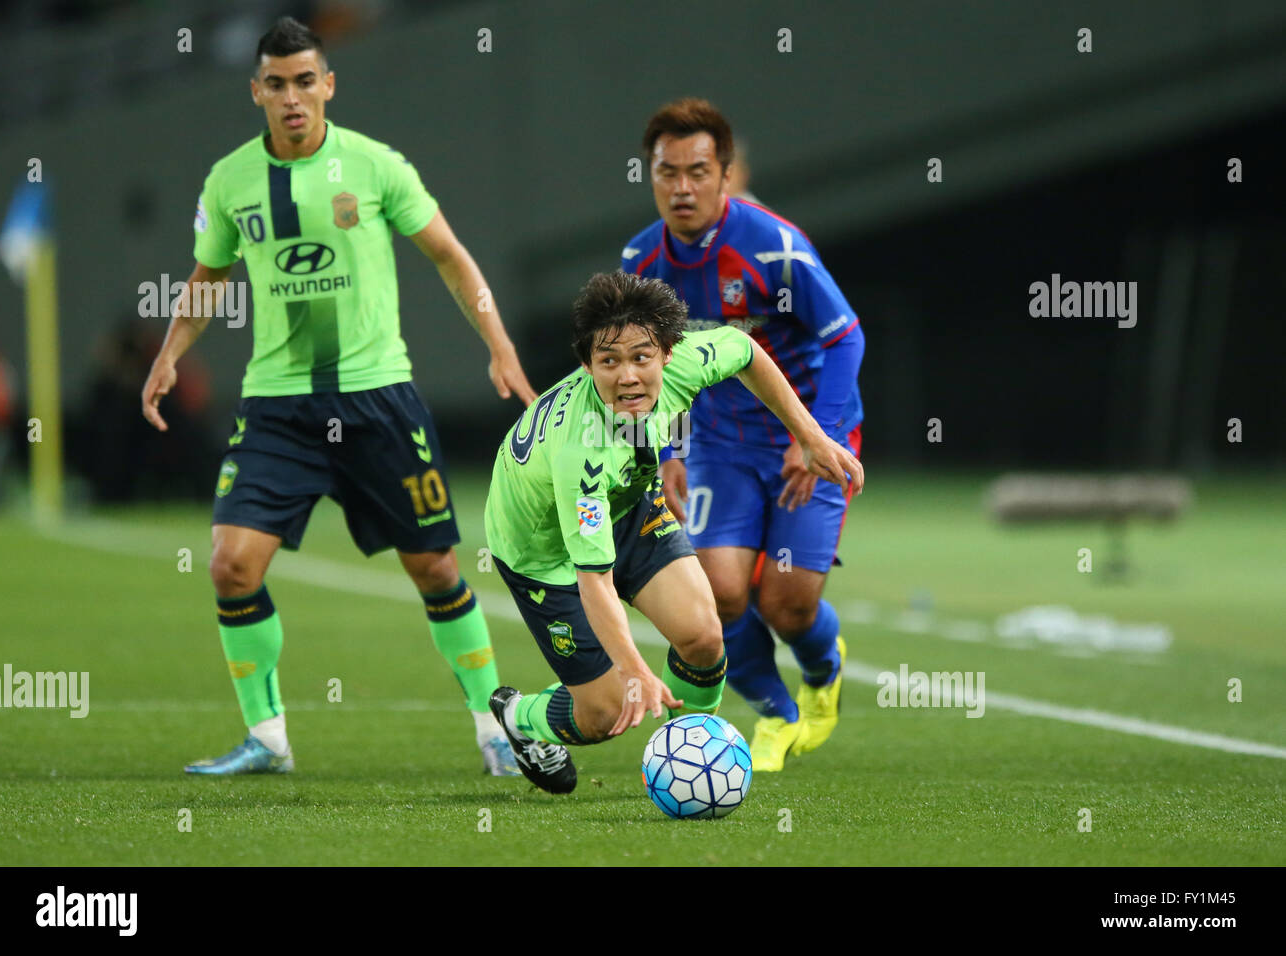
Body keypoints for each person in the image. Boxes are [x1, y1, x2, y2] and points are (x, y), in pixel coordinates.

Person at [140, 17, 534, 776]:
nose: (293, 97)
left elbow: (450, 257)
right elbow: (208, 277)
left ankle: (494, 731)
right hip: (277, 407)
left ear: (328, 83)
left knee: (437, 570)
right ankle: (268, 738)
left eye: (305, 80)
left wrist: (501, 346)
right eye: (277, 84)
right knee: (229, 565)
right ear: (257, 91)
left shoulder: (377, 166)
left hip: (377, 399)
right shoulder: (229, 181)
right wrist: (168, 354)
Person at [483, 271, 862, 794]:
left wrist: (811, 437)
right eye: (608, 361)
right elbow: (595, 580)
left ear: (667, 352)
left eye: (641, 357)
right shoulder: (584, 454)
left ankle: (690, 759)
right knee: (605, 712)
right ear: (586, 364)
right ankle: (518, 717)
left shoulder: (688, 360)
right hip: (542, 550)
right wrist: (634, 668)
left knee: (704, 638)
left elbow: (745, 351)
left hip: (630, 503)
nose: (628, 376)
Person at [621, 98, 866, 771]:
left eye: (697, 172)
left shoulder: (774, 247)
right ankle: (776, 714)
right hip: (719, 446)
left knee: (787, 606)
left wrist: (815, 434)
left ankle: (822, 669)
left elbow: (846, 338)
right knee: (721, 593)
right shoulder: (642, 259)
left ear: (726, 175)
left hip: (807, 434)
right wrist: (666, 451)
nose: (681, 188)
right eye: (666, 173)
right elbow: (649, 365)